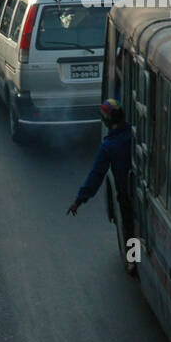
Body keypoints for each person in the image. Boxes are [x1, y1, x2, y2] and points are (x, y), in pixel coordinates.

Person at [68, 99, 135, 269]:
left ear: (107, 120)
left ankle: (133, 261)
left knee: (130, 228)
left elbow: (96, 176)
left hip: (127, 195)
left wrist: (78, 201)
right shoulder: (134, 133)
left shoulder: (109, 146)